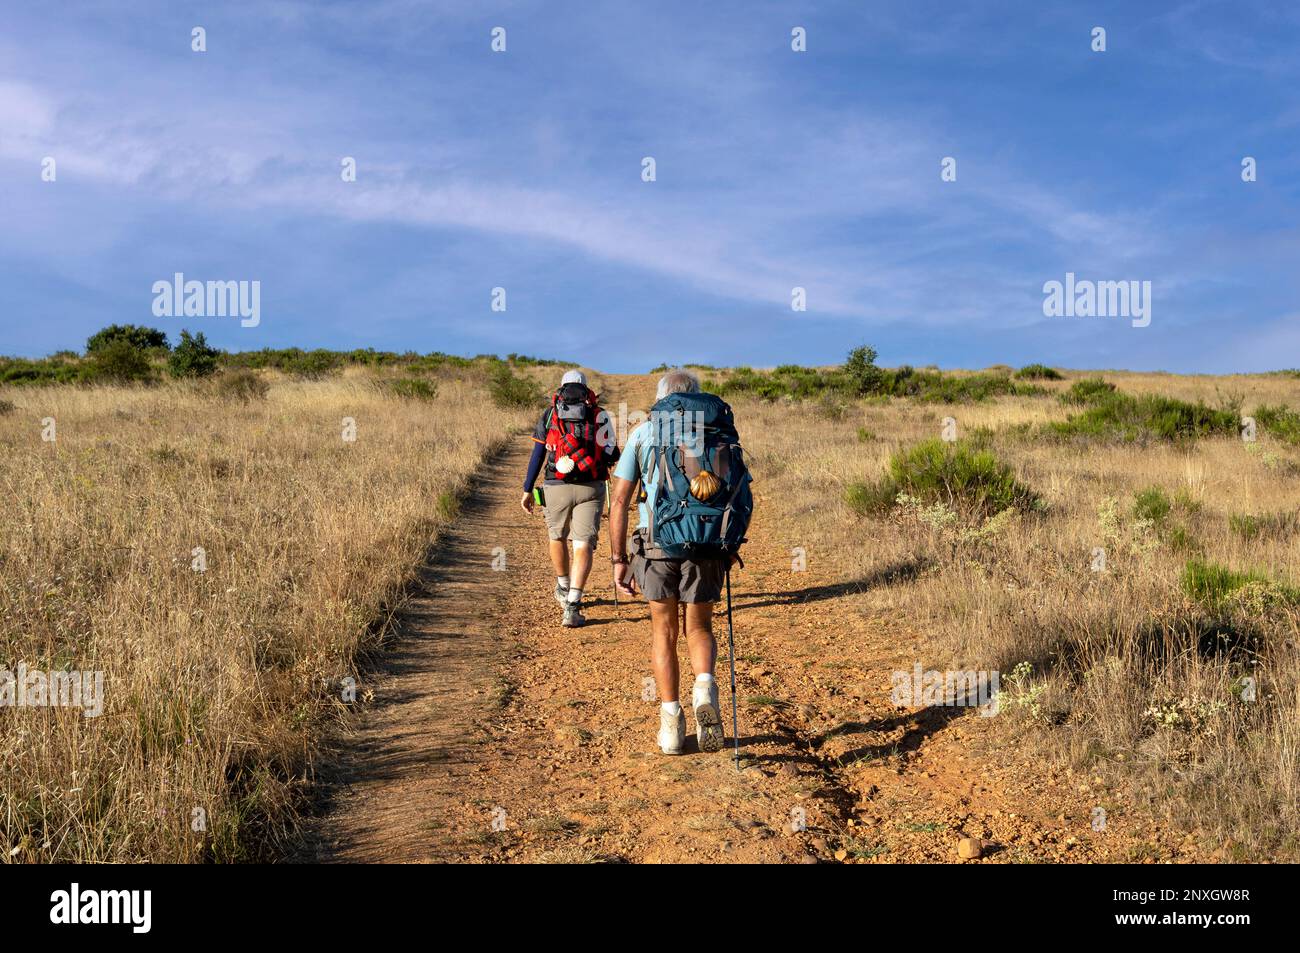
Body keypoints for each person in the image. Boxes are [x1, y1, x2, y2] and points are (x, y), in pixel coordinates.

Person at [609, 368, 749, 755]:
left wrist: (619, 558)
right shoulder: (717, 433)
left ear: (662, 399)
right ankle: (705, 688)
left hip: (657, 547)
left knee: (664, 632)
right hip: (707, 543)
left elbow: (619, 500)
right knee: (699, 627)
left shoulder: (644, 433)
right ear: (697, 399)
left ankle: (671, 724)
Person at [521, 369, 618, 628]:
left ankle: (563, 587)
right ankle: (573, 606)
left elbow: (537, 454)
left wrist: (527, 488)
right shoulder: (600, 415)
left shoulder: (551, 413)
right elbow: (612, 453)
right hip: (591, 485)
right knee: (583, 543)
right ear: (586, 390)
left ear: (562, 388)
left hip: (555, 484)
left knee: (557, 536)